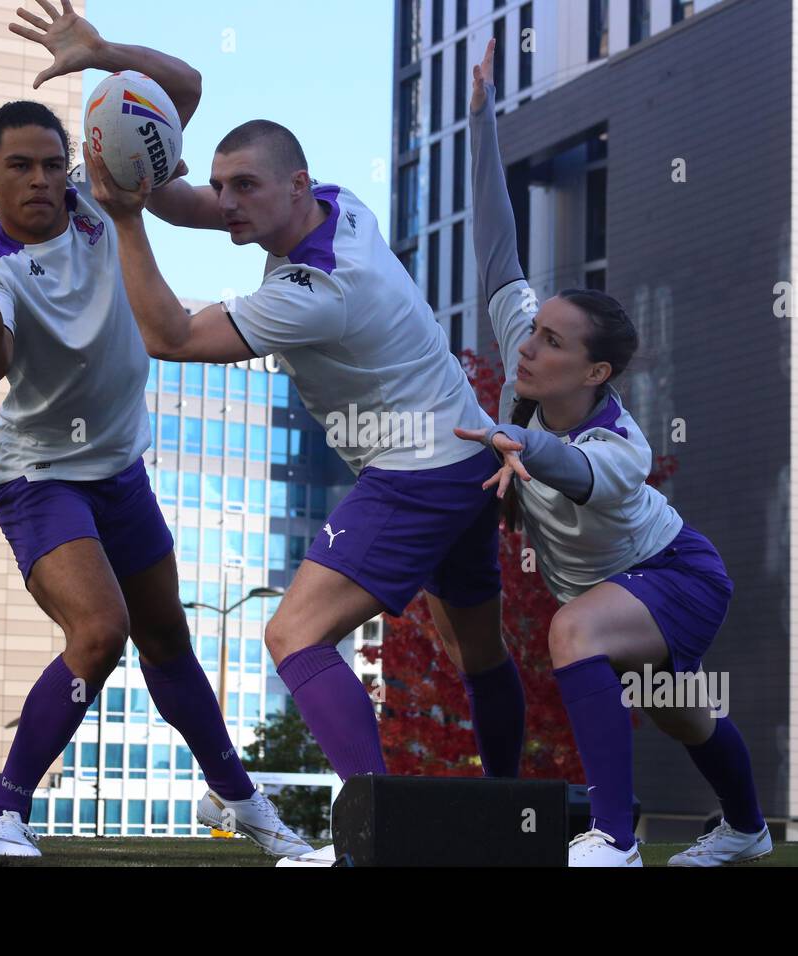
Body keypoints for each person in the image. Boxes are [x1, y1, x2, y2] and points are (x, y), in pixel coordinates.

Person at [0, 0, 307, 858]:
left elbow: (181, 89)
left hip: (119, 469)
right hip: (39, 476)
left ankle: (243, 803)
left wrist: (102, 54)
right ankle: (1, 815)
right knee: (99, 634)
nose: (40, 178)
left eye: (50, 162)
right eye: (19, 168)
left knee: (169, 643)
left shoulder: (98, 196)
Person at [84, 89, 527, 870]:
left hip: (416, 469)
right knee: (475, 650)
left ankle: (372, 837)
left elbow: (170, 335)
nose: (226, 202)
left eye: (243, 186)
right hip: (467, 449)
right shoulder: (336, 201)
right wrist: (141, 167)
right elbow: (196, 207)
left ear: (295, 185)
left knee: (293, 634)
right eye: (221, 184)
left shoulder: (318, 291)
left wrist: (124, 217)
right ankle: (512, 819)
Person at [455, 39, 770, 867]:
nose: (528, 346)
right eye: (534, 329)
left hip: (678, 576)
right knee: (682, 715)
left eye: (552, 342)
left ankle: (614, 841)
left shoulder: (620, 445)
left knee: (573, 631)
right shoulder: (523, 346)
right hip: (619, 589)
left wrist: (514, 440)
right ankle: (747, 828)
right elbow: (495, 240)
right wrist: (482, 117)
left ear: (594, 370)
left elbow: (578, 474)